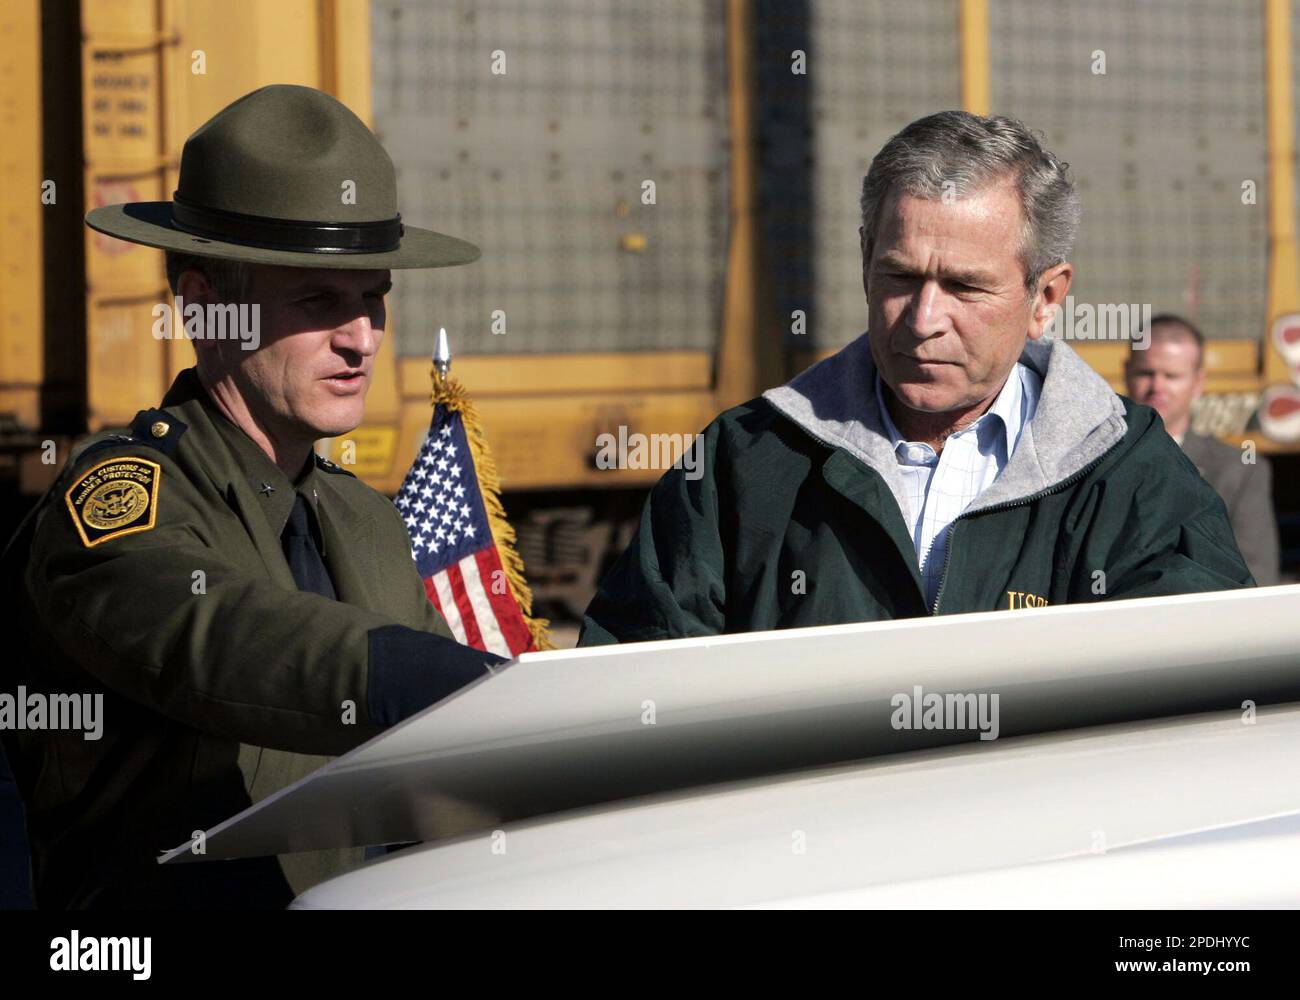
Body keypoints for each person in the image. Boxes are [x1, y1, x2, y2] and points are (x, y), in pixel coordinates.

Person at [0, 84, 506, 909]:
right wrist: (418, 678)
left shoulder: (365, 522)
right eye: (318, 302)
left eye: (373, 299)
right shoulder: (119, 501)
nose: (361, 338)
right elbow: (215, 634)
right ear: (205, 306)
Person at [580, 111, 1253, 645]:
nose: (924, 318)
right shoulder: (744, 461)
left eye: (964, 286)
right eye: (901, 277)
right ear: (865, 258)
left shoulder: (1133, 479)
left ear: (1045, 300)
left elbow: (1197, 705)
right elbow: (636, 685)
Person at [1124, 314, 1280, 585]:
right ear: (1127, 373)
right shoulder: (1097, 462)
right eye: (1146, 373)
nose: (1157, 387)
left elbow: (1258, 577)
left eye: (1171, 376)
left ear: (1198, 382)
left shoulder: (1241, 471)